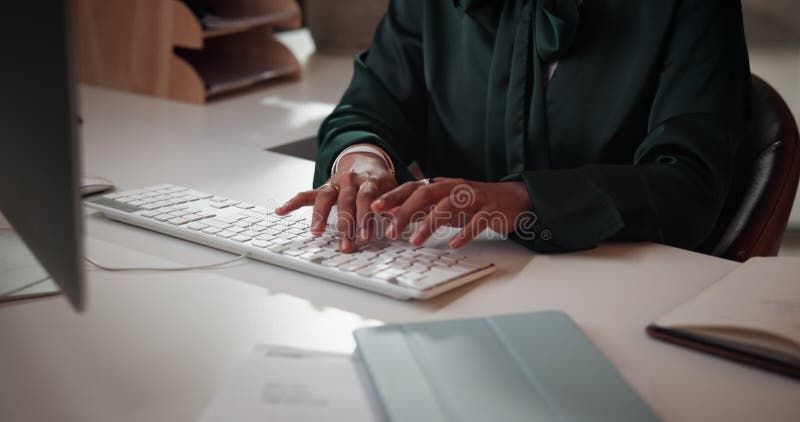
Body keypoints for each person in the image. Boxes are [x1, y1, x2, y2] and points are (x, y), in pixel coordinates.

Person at [276, 0, 751, 255]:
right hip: (448, 279)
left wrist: (526, 200)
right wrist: (363, 162)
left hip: (615, 290)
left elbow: (690, 184)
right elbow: (370, 103)